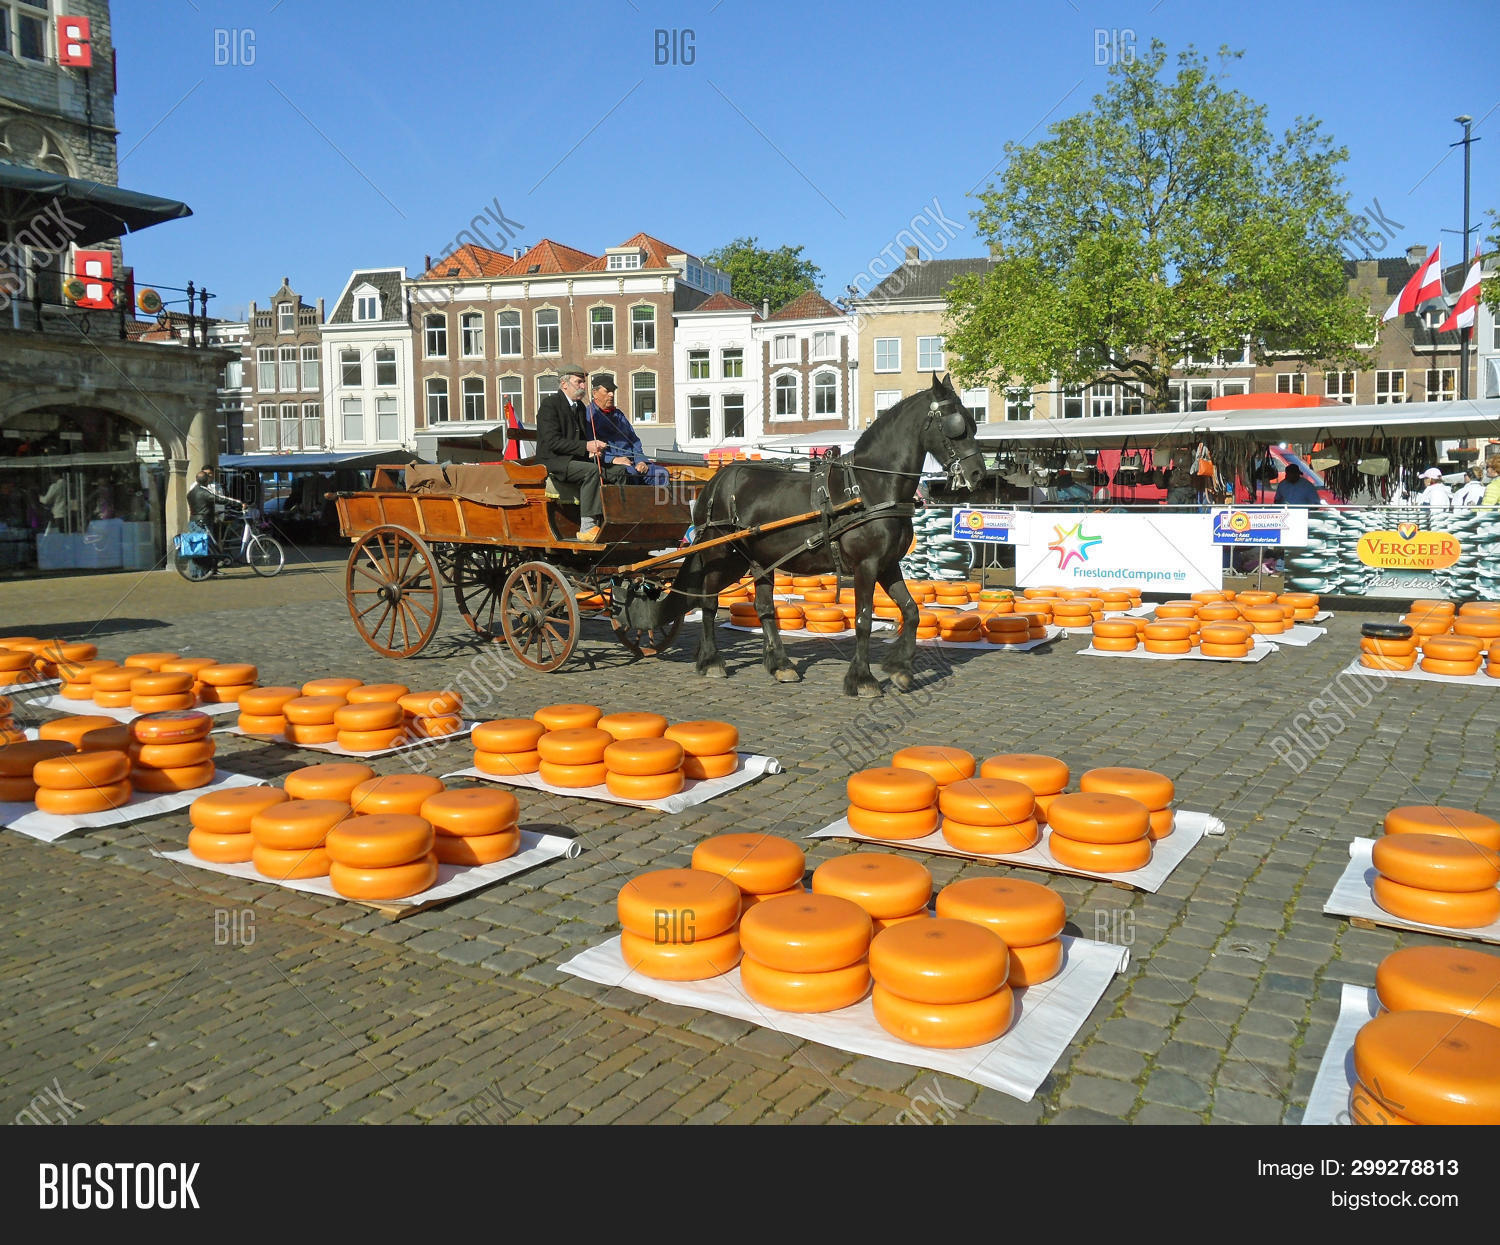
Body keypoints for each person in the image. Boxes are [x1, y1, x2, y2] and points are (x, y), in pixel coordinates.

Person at [535, 364, 629, 542]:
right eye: (579, 382)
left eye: (584, 382)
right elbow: (552, 442)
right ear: (564, 384)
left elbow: (583, 440)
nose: (583, 386)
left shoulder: (578, 407)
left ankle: (616, 522)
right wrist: (586, 447)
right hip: (554, 461)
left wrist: (595, 452)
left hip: (575, 460)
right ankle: (587, 527)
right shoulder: (550, 405)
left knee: (619, 472)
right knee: (592, 471)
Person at [586, 373, 669, 488]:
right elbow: (591, 447)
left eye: (613, 391)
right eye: (607, 391)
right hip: (613, 464)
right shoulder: (589, 416)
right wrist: (614, 459)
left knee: (662, 473)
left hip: (634, 462)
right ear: (595, 393)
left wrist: (641, 461)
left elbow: (634, 441)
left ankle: (657, 506)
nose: (611, 395)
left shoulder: (619, 415)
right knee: (631, 474)